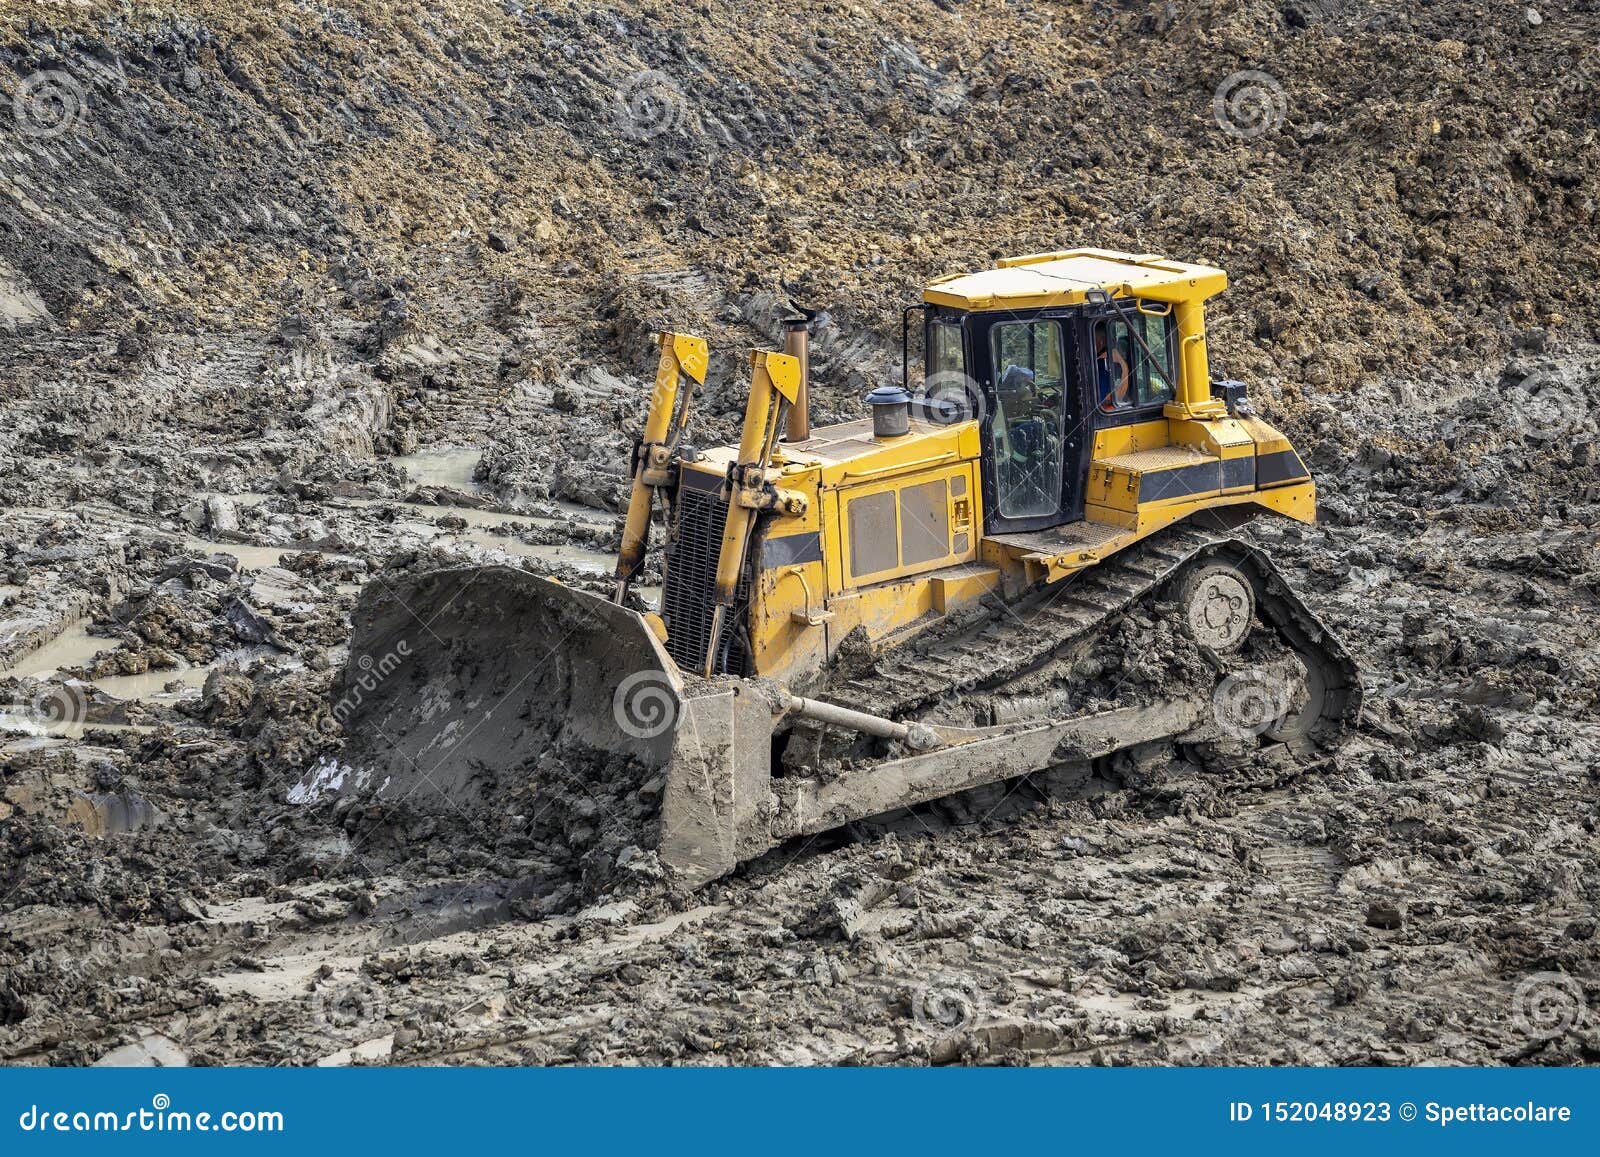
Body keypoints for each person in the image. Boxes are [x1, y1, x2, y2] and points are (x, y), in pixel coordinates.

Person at [1095, 325, 1131, 412]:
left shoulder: (1103, 369)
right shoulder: (1097, 363)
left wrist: (1123, 364)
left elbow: (1118, 397)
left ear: (1101, 342)